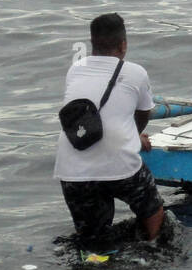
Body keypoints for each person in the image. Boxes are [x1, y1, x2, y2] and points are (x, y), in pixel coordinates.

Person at [55, 13, 168, 245]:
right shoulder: (136, 73)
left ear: (92, 43)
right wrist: (135, 137)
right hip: (120, 165)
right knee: (152, 208)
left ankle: (95, 264)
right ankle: (153, 247)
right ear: (123, 44)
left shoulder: (75, 69)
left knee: (92, 237)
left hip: (72, 170)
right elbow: (142, 113)